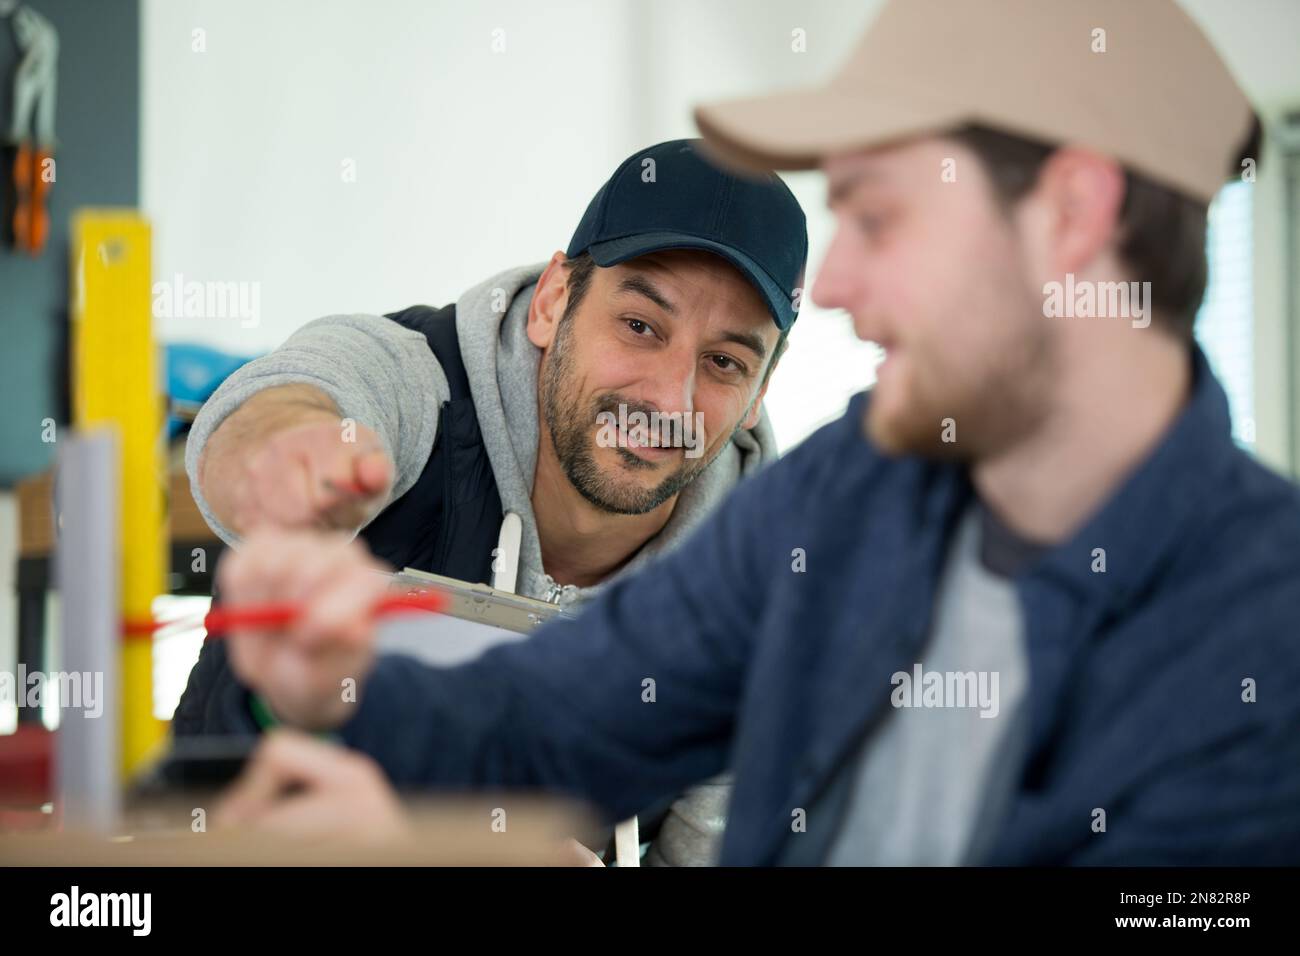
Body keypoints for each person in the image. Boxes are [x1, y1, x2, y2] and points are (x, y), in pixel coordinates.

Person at [213, 0, 1300, 864]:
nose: (833, 286)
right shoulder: (851, 496)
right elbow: (560, 712)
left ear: (1069, 216)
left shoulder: (1267, 631)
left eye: (878, 218)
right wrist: (343, 676)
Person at [177, 138, 808, 866]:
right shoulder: (419, 383)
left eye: (724, 362)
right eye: (640, 326)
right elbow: (277, 403)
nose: (670, 398)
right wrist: (291, 454)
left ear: (760, 393)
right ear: (551, 302)